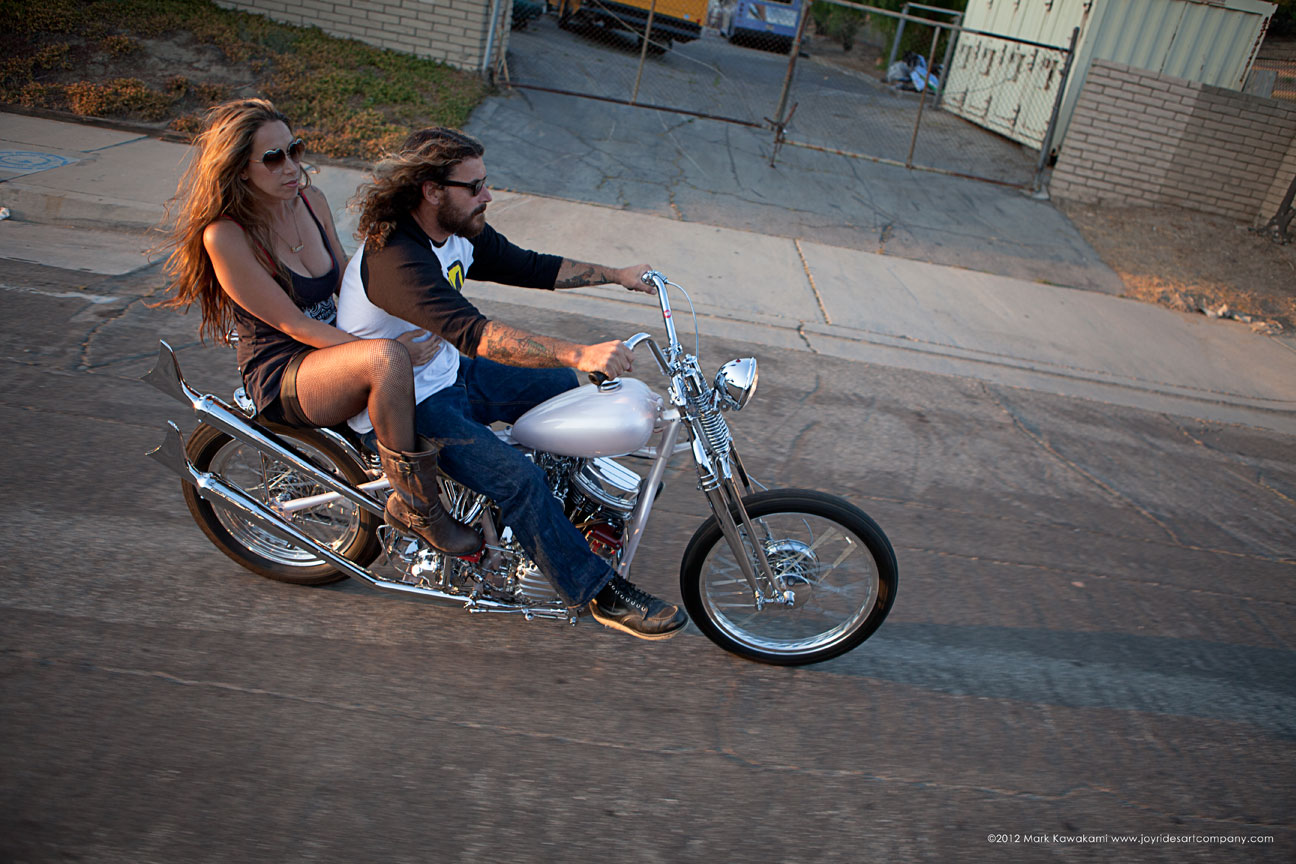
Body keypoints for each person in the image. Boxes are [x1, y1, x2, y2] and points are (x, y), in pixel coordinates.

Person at [339, 127, 688, 641]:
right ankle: (599, 593)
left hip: (444, 375)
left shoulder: (456, 230)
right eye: (474, 186)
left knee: (562, 390)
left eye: (485, 182)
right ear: (432, 191)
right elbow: (478, 335)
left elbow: (527, 266)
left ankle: (564, 519)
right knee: (517, 479)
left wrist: (616, 274)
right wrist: (580, 350)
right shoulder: (397, 259)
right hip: (401, 405)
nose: (488, 196)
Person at [156, 99, 479, 557]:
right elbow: (292, 321)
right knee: (390, 359)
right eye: (273, 158)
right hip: (287, 367)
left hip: (341, 346)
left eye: (295, 150)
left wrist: (414, 311)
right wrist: (384, 346)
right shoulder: (224, 235)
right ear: (241, 169)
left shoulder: (310, 200)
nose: (291, 167)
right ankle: (418, 507)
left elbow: (353, 277)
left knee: (434, 348)